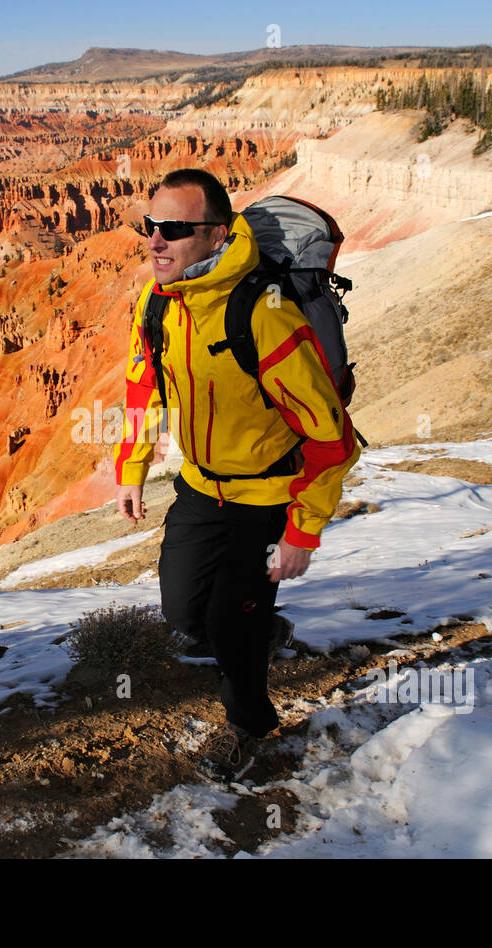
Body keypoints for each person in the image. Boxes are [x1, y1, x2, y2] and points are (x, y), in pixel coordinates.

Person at [113, 168, 361, 781]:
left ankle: (252, 731)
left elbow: (331, 439)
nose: (155, 241)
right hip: (200, 486)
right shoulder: (159, 302)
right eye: (150, 226)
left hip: (268, 498)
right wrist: (131, 468)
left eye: (174, 229)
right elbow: (144, 385)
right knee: (182, 614)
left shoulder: (263, 314)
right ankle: (261, 627)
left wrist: (303, 531)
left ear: (218, 234)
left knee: (230, 627)